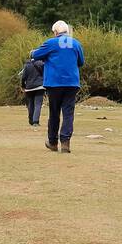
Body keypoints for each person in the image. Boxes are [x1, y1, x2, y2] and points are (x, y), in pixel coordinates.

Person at [31, 20, 85, 154]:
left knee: (54, 113)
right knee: (68, 113)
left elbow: (35, 55)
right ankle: (65, 143)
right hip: (71, 83)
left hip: (54, 83)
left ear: (55, 32)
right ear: (66, 31)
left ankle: (53, 142)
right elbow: (81, 62)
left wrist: (33, 52)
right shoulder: (76, 43)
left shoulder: (51, 43)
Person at [20, 55, 46, 127]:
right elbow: (45, 74)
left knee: (30, 104)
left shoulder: (27, 65)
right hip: (39, 87)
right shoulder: (41, 64)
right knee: (38, 104)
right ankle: (35, 121)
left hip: (29, 88)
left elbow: (23, 77)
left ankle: (31, 120)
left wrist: (23, 86)